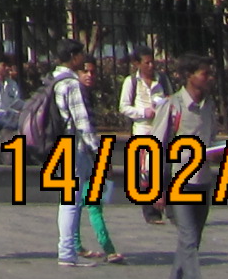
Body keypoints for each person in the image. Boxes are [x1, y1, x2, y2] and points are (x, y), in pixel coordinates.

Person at [154, 57, 226, 279]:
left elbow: (211, 138)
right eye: (204, 73)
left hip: (203, 181)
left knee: (191, 241)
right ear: (189, 76)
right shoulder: (173, 107)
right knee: (188, 240)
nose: (209, 78)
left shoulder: (208, 106)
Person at [48, 46, 117, 267]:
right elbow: (82, 122)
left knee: (67, 200)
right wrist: (98, 150)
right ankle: (67, 252)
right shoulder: (71, 84)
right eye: (79, 55)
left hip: (58, 145)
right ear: (72, 57)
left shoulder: (52, 80)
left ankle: (67, 249)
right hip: (74, 148)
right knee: (71, 201)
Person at [120, 51, 168, 224]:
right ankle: (151, 212)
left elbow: (170, 99)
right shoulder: (131, 82)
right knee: (145, 171)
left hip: (160, 129)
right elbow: (124, 107)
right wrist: (143, 112)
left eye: (152, 62)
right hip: (142, 129)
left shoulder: (161, 79)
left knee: (162, 168)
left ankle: (166, 205)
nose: (151, 66)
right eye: (146, 63)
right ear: (137, 64)